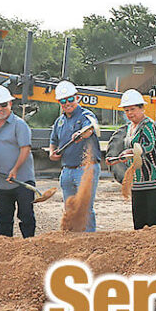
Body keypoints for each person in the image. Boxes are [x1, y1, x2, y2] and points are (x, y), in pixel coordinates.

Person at [0, 86, 35, 238]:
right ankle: (6, 251)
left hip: (22, 181)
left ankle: (29, 249)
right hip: (2, 181)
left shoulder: (20, 125)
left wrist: (15, 169)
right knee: (4, 219)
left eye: (3, 104)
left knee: (26, 217)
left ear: (10, 104)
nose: (0, 109)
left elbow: (25, 149)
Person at [49, 80, 100, 232]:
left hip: (85, 169)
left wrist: (82, 133)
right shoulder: (59, 121)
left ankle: (89, 241)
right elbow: (53, 141)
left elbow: (91, 128)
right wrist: (52, 152)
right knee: (69, 208)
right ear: (59, 102)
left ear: (77, 98)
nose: (67, 103)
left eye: (70, 99)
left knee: (85, 209)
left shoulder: (86, 115)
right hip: (67, 170)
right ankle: (72, 240)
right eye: (63, 101)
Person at [117, 89, 156, 229]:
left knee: (154, 220)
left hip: (153, 179)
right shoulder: (129, 128)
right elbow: (131, 150)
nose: (130, 113)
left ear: (142, 108)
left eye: (133, 109)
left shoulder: (149, 125)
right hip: (138, 180)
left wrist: (130, 152)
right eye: (127, 110)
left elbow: (148, 146)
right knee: (139, 219)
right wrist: (120, 157)